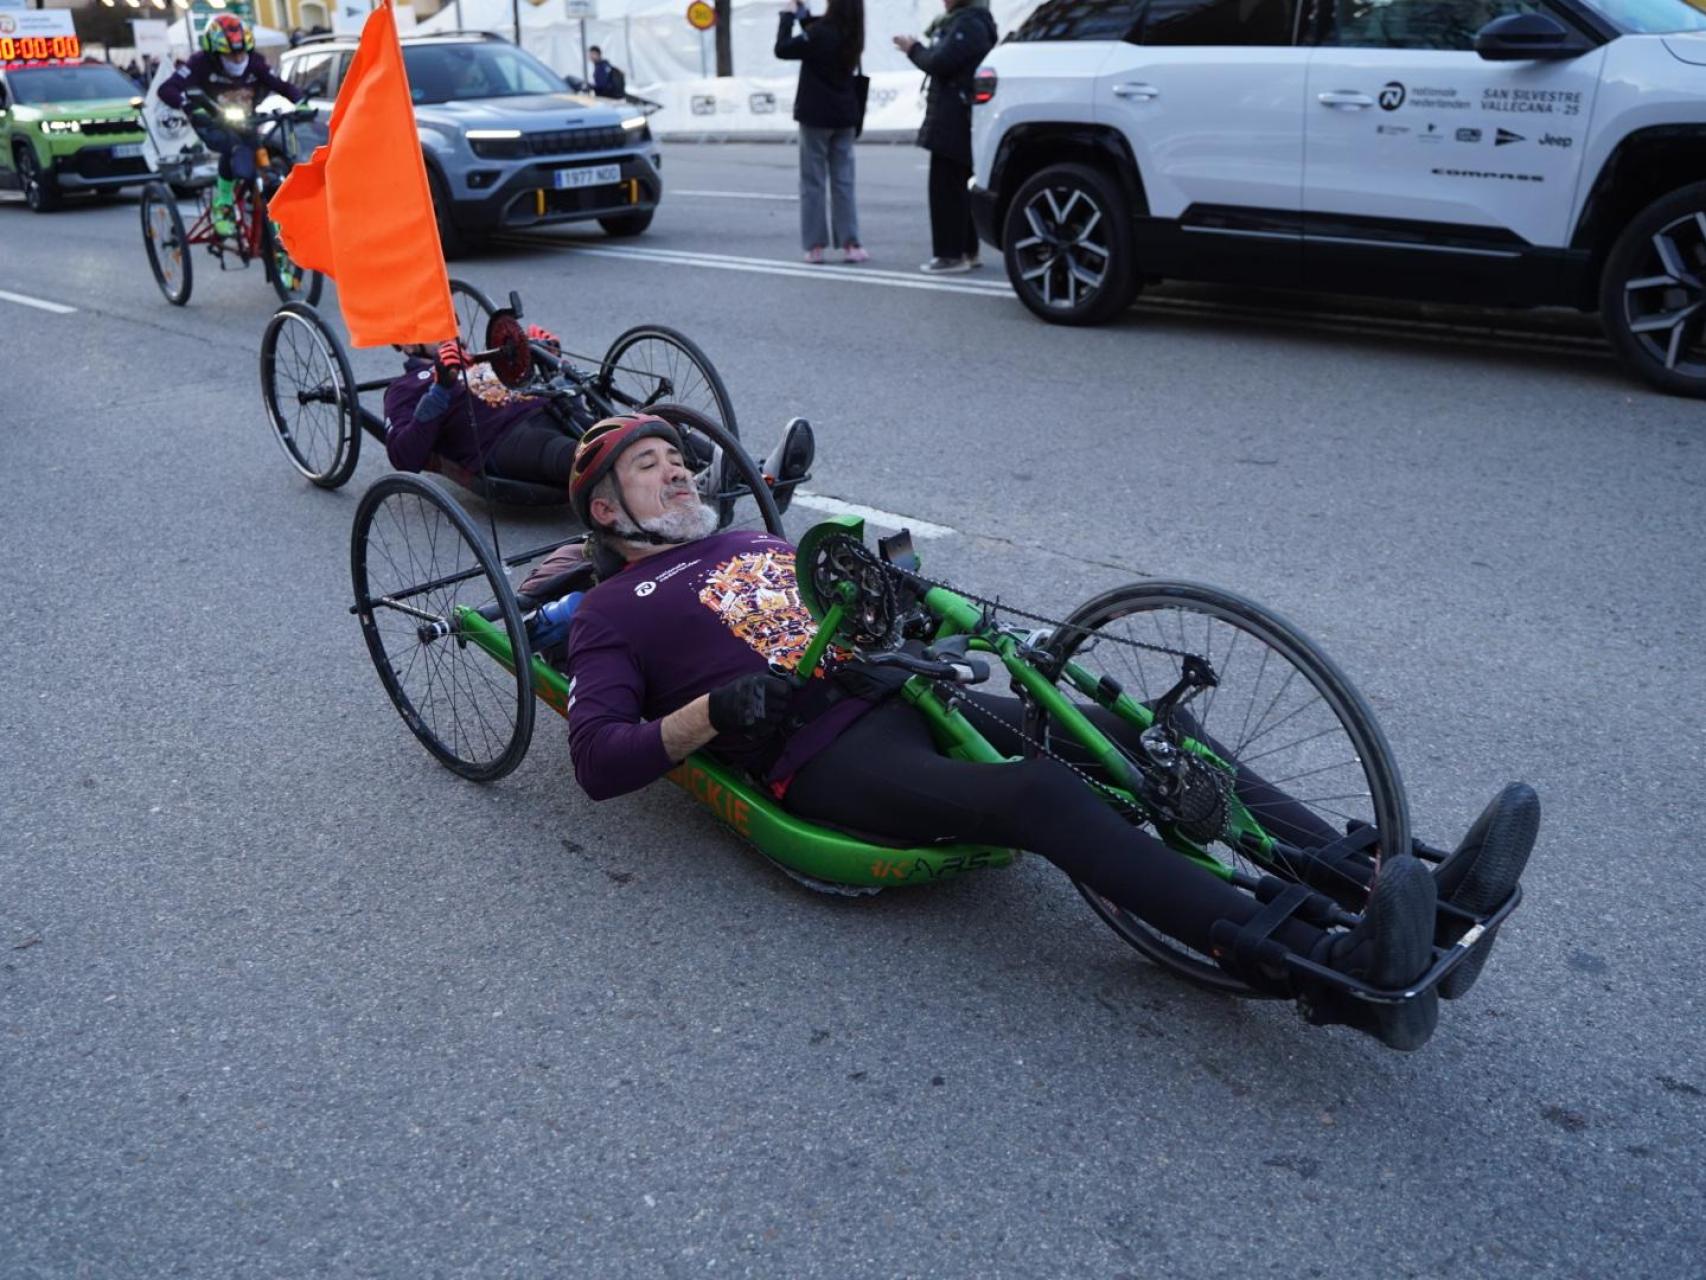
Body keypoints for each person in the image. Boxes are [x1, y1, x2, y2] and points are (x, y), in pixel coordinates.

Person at [557, 415, 1541, 1053]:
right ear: (607, 509)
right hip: (820, 751)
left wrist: (900, 600)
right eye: (651, 465)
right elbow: (599, 760)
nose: (679, 469)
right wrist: (709, 714)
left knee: (1130, 726)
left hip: (898, 685)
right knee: (1034, 792)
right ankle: (1331, 964)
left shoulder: (750, 538)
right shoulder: (612, 611)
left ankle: (1394, 876)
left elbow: (853, 601)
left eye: (681, 457)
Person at [383, 325, 593, 487]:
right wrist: (440, 389)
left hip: (551, 410)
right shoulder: (404, 387)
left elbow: (539, 385)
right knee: (594, 457)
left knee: (619, 435)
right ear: (407, 344)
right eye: (433, 325)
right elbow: (404, 458)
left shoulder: (488, 358)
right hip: (504, 438)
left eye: (451, 320)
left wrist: (550, 360)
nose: (449, 329)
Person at [156, 15, 303, 238]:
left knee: (260, 154)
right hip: (211, 122)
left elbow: (279, 84)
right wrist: (188, 105)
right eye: (230, 54)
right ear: (214, 53)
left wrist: (300, 102)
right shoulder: (199, 63)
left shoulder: (255, 62)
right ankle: (223, 203)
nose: (237, 59)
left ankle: (267, 205)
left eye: (241, 53)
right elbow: (167, 89)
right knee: (233, 147)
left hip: (247, 120)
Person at [894, 0, 997, 274]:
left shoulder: (968, 24)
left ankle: (950, 255)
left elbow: (939, 62)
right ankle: (967, 251)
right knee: (958, 186)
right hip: (959, 115)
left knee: (946, 189)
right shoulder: (971, 21)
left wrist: (913, 49)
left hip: (953, 116)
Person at [776, 0, 868, 265]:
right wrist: (804, 17)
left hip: (815, 115)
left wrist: (787, 17)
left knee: (813, 182)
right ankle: (851, 243)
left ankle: (815, 246)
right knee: (844, 182)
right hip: (845, 114)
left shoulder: (819, 33)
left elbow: (783, 49)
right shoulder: (854, 32)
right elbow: (818, 37)